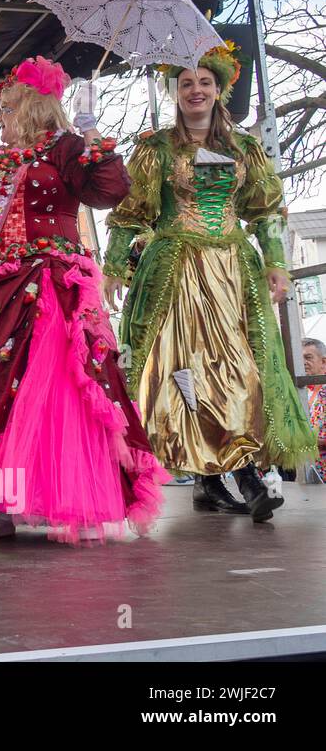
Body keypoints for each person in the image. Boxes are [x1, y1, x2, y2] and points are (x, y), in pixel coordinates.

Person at [0, 55, 170, 544]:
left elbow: (110, 191)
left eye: (6, 105)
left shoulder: (64, 148)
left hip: (51, 283)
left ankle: (63, 500)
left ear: (31, 104)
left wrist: (93, 141)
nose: (0, 115)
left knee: (61, 387)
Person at [103, 43, 316, 523]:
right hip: (176, 272)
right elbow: (130, 213)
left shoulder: (245, 148)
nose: (195, 90)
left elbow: (264, 212)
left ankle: (239, 470)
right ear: (175, 93)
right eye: (186, 83)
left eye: (204, 82)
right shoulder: (156, 149)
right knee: (185, 374)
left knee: (240, 370)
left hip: (232, 273)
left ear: (219, 90)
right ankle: (214, 478)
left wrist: (276, 262)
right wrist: (115, 266)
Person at [303, 339, 326, 483]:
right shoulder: (302, 391)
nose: (303, 362)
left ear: (323, 362)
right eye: (299, 358)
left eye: (308, 357)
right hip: (309, 475)